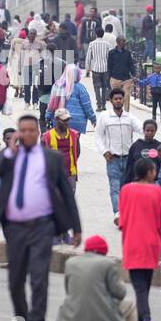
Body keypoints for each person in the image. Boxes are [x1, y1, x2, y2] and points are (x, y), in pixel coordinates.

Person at [0, 114, 82, 321]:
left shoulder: (51, 158)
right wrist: (8, 151)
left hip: (42, 226)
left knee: (39, 280)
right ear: (18, 133)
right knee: (15, 282)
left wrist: (76, 227)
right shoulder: (8, 157)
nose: (27, 134)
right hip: (14, 228)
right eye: (23, 130)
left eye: (32, 130)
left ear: (38, 132)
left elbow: (66, 194)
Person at [118, 158, 161, 321]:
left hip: (132, 242)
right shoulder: (156, 191)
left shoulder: (125, 190)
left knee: (139, 285)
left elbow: (122, 221)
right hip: (151, 243)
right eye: (154, 170)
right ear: (148, 172)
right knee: (145, 284)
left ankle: (146, 319)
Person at [56, 235, 135, 321]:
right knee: (131, 305)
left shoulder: (70, 262)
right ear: (103, 252)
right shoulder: (108, 263)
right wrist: (120, 283)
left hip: (70, 316)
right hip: (100, 317)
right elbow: (120, 293)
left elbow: (68, 291)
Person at [95, 87, 142, 217]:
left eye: (120, 99)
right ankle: (118, 213)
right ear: (111, 101)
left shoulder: (129, 117)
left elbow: (142, 128)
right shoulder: (104, 117)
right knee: (115, 187)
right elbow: (98, 136)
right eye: (115, 99)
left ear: (124, 100)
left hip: (129, 159)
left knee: (128, 188)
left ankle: (128, 212)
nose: (118, 101)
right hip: (112, 159)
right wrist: (104, 152)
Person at [46, 63, 96, 134]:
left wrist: (48, 117)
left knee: (61, 143)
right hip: (77, 121)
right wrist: (93, 119)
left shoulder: (57, 86)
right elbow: (87, 105)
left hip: (59, 121)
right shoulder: (80, 88)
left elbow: (51, 104)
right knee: (75, 143)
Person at [84, 25, 114, 110]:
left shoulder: (92, 44)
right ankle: (104, 104)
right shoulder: (107, 44)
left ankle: (99, 104)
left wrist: (88, 68)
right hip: (105, 69)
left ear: (96, 34)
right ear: (103, 34)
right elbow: (110, 57)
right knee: (104, 87)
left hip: (95, 69)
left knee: (97, 87)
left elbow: (89, 57)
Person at [107, 35, 136, 100]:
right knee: (117, 97)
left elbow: (131, 64)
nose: (125, 43)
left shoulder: (127, 53)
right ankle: (117, 109)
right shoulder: (111, 53)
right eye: (123, 42)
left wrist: (133, 75)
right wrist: (109, 77)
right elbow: (109, 66)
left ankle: (125, 110)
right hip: (115, 78)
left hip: (126, 78)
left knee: (127, 95)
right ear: (118, 42)